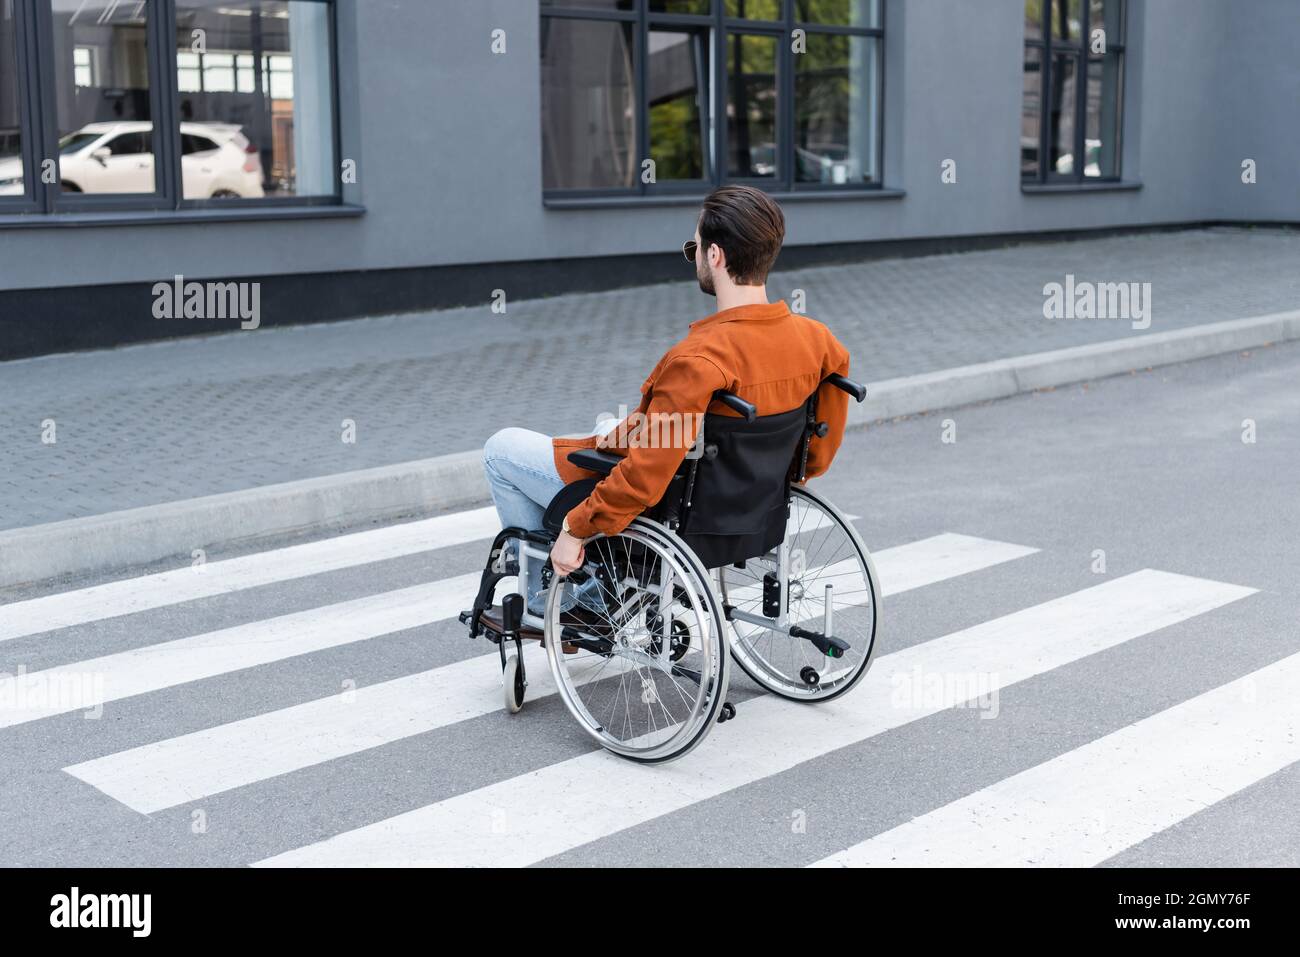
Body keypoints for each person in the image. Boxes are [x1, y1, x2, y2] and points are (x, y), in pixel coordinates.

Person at [483, 184, 851, 615]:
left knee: (501, 449)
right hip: (751, 502)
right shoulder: (820, 342)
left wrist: (576, 528)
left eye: (695, 246)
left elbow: (644, 476)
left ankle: (542, 598)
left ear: (715, 255)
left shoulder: (698, 359)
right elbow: (815, 457)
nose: (694, 255)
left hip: (669, 505)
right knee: (607, 428)